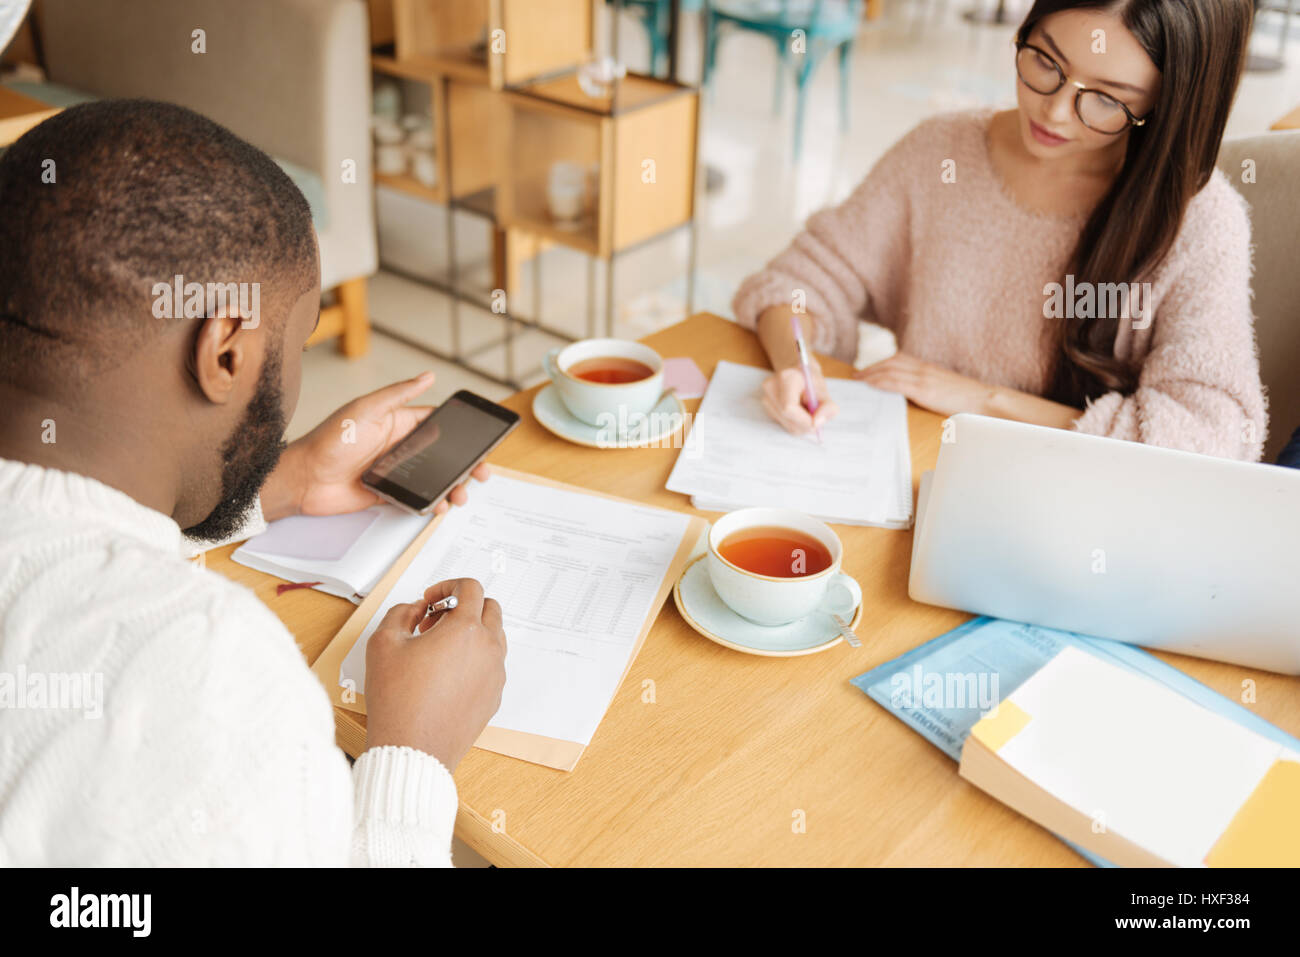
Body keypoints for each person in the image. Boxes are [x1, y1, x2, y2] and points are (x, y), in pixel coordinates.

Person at [0, 99, 505, 865]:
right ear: (226, 352)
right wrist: (412, 756)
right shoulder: (213, 681)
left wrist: (284, 478)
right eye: (299, 340)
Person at [736, 0, 1267, 462]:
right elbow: (797, 283)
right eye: (1045, 59)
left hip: (1079, 515)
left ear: (1165, 104)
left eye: (1107, 98)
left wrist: (985, 401)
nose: (1055, 112)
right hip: (920, 472)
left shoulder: (1199, 223)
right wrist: (795, 366)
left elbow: (1212, 438)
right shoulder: (941, 151)